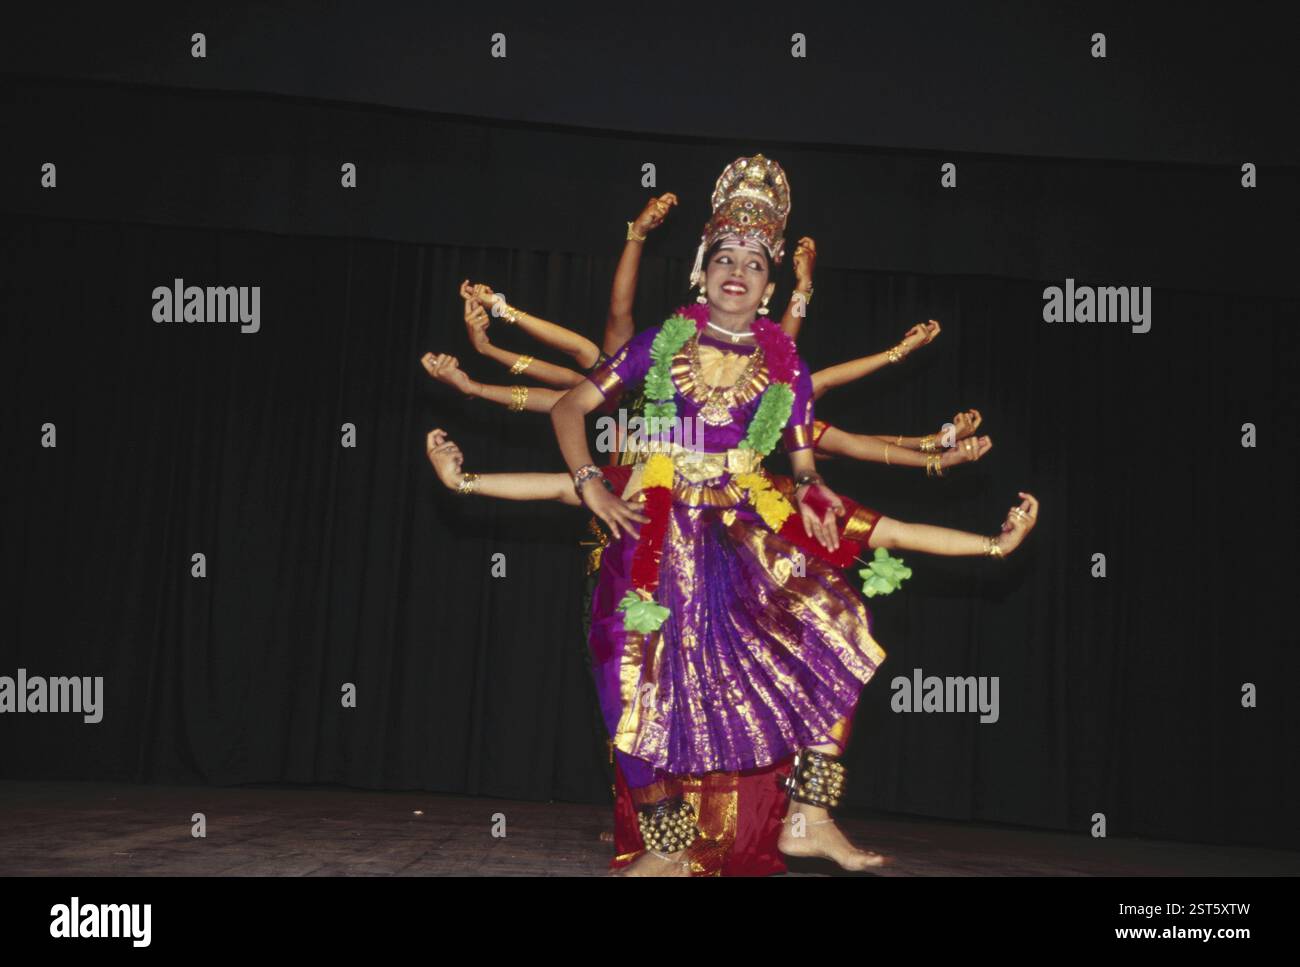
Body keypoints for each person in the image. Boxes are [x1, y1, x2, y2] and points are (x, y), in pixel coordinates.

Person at [538, 154, 1040, 875]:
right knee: (629, 683)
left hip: (740, 532)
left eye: (753, 261)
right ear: (700, 272)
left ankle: (808, 812)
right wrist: (589, 480)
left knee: (839, 627)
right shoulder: (657, 345)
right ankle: (669, 849)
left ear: (771, 288)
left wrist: (817, 496)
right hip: (652, 535)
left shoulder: (784, 368)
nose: (736, 269)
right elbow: (570, 406)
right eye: (724, 256)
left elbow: (804, 466)